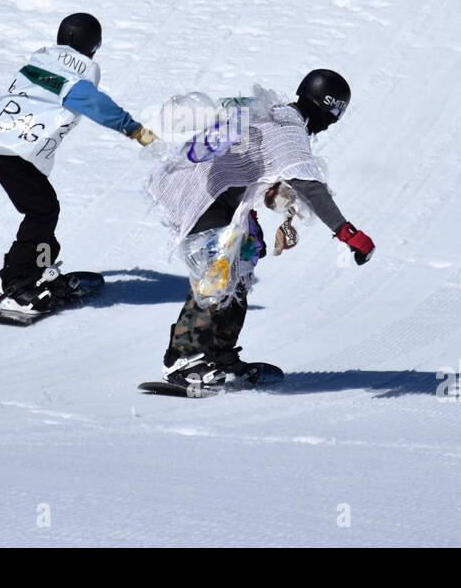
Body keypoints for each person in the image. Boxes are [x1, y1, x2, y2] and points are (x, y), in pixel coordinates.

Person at [145, 69, 374, 390]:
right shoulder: (289, 130)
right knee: (215, 278)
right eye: (333, 117)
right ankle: (184, 359)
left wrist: (249, 216)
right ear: (329, 109)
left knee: (237, 272)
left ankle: (219, 353)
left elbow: (250, 162)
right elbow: (309, 185)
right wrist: (348, 233)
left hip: (214, 198)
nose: (330, 125)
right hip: (205, 201)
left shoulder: (270, 114)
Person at [0, 13, 156, 313]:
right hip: (11, 150)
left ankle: (40, 271)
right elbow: (96, 104)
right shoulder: (73, 76)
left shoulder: (43, 62)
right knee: (41, 211)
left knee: (44, 211)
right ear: (94, 47)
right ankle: (15, 285)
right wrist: (135, 129)